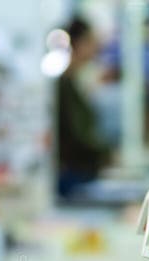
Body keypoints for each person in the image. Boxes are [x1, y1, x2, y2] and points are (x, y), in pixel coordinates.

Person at [56, 17, 111, 199]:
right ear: (79, 44)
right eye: (91, 42)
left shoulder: (76, 83)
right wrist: (106, 154)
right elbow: (78, 135)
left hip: (80, 172)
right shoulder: (64, 87)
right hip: (73, 176)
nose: (96, 49)